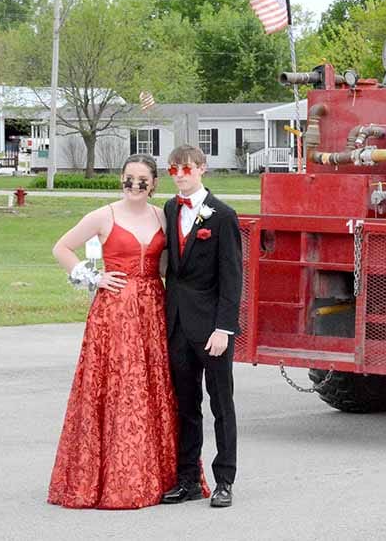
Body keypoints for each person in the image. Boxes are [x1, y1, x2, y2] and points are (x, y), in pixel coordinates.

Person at [48, 153, 208, 508]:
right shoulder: (104, 215)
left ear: (153, 183)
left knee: (152, 389)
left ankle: (158, 477)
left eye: (142, 179)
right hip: (114, 312)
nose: (135, 184)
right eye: (129, 178)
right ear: (121, 180)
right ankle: (109, 479)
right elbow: (61, 247)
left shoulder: (162, 217)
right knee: (117, 388)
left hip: (153, 310)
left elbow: (173, 264)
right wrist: (93, 277)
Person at [160, 144, 243, 509]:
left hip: (212, 329)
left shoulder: (222, 215)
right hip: (177, 324)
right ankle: (188, 479)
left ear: (202, 169)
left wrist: (224, 328)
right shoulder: (169, 208)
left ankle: (224, 480)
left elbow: (232, 278)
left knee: (221, 404)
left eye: (187, 169)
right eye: (174, 169)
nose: (180, 175)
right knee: (186, 405)